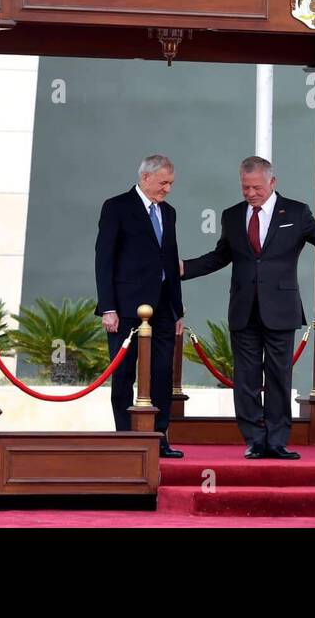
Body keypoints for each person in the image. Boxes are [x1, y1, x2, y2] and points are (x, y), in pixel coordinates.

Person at [182, 156, 315, 459]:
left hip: (280, 308)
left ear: (272, 183)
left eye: (256, 188)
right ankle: (254, 439)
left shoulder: (296, 212)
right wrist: (183, 268)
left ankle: (277, 441)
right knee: (246, 378)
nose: (251, 193)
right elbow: (220, 256)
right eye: (245, 188)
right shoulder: (232, 215)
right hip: (243, 309)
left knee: (279, 376)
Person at [94, 155, 185, 457]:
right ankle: (124, 438)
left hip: (162, 308)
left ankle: (158, 437)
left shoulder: (168, 212)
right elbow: (104, 259)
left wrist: (178, 311)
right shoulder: (116, 207)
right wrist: (108, 307)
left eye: (170, 183)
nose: (167, 189)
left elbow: (170, 263)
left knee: (162, 372)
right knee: (123, 375)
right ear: (145, 178)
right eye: (163, 183)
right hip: (124, 308)